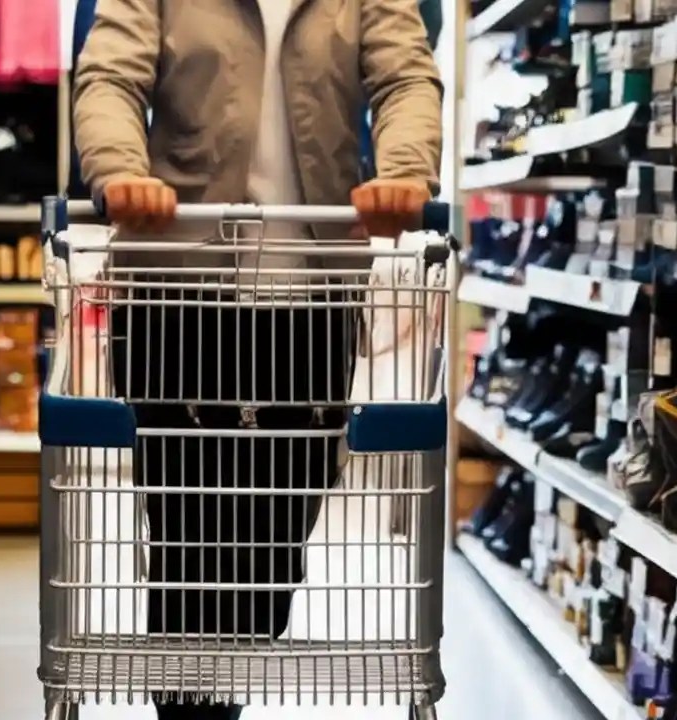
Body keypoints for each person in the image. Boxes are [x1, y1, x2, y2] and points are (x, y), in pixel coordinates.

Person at [72, 1, 441, 718]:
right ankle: (194, 711)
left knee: (275, 545)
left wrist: (403, 172)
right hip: (178, 293)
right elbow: (110, 76)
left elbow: (405, 80)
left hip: (312, 301)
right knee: (188, 537)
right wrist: (120, 170)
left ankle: (217, 695)